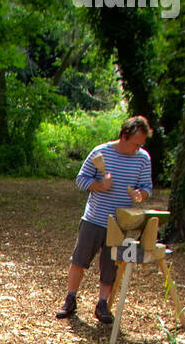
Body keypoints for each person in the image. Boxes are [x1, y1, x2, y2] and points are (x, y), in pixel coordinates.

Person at [56, 115, 154, 326]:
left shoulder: (143, 158)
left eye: (141, 144)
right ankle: (70, 299)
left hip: (120, 221)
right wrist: (100, 185)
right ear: (123, 136)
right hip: (94, 218)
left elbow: (147, 187)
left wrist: (141, 195)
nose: (138, 148)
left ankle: (102, 305)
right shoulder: (101, 152)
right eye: (135, 143)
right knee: (79, 260)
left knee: (110, 265)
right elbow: (81, 180)